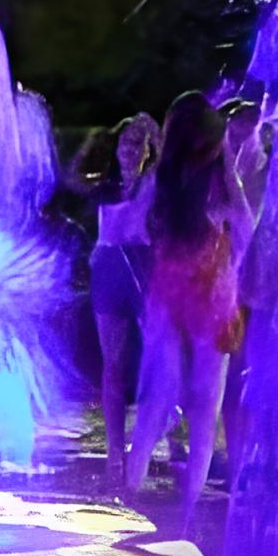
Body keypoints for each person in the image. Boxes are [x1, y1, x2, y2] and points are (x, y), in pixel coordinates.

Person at [122, 92, 253, 525]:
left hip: (181, 299)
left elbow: (137, 232)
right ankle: (182, 512)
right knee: (197, 411)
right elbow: (246, 226)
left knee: (162, 406)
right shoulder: (199, 181)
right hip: (207, 300)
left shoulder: (170, 181)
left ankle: (136, 496)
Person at [86, 113, 156, 476]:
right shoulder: (107, 185)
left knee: (156, 357)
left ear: (148, 150)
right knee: (112, 364)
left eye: (137, 143)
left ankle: (157, 428)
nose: (129, 149)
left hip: (143, 265)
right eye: (125, 142)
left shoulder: (154, 184)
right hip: (111, 268)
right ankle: (115, 451)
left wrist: (155, 133)